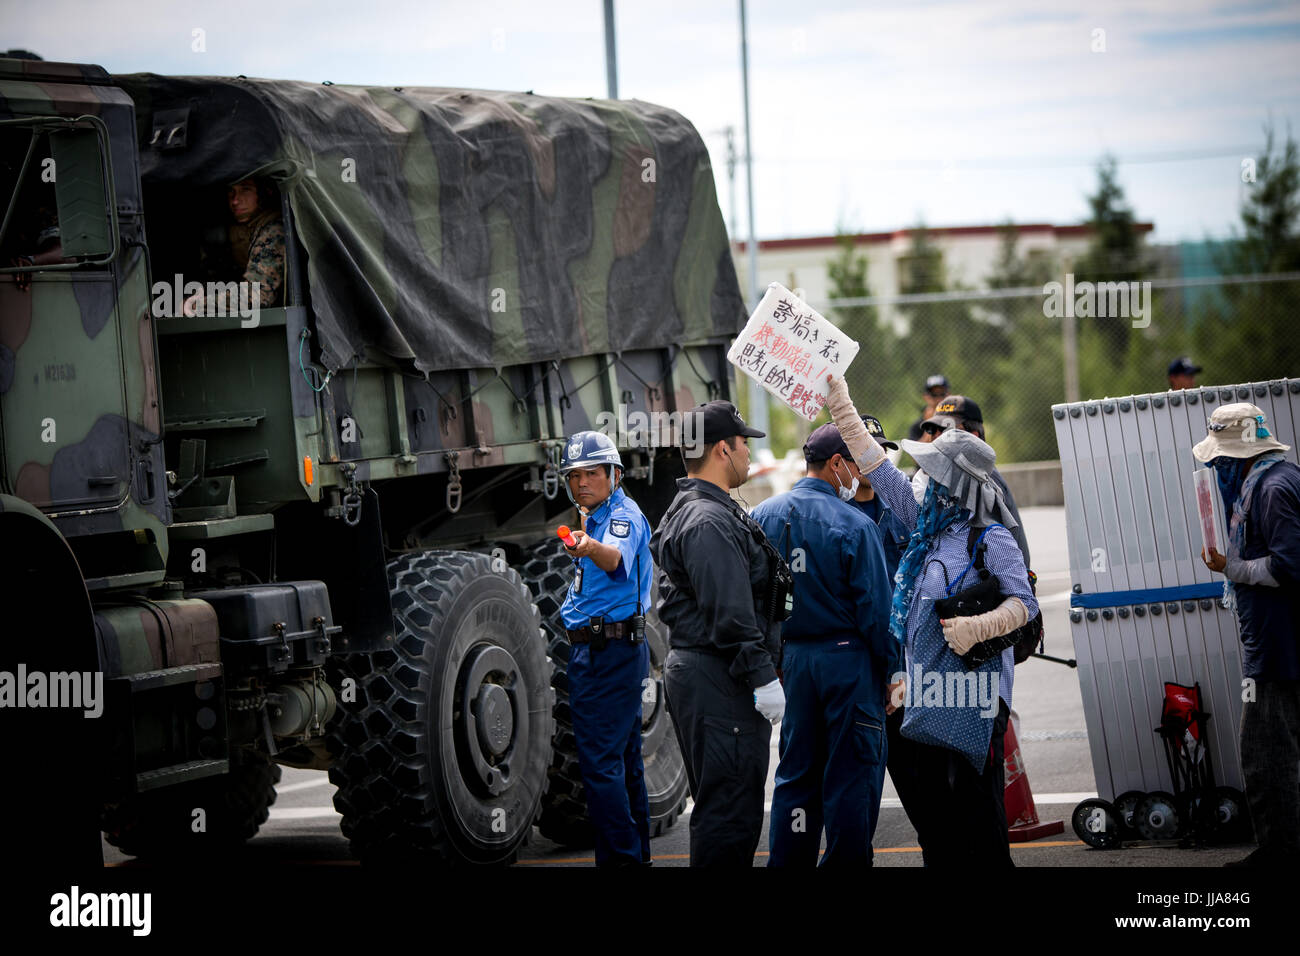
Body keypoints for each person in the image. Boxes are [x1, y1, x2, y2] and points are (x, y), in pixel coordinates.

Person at [825, 375, 1037, 866]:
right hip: (926, 691)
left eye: (931, 471)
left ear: (954, 484)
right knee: (938, 825)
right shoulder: (924, 521)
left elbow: (1024, 604)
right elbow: (877, 465)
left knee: (979, 822)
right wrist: (841, 403)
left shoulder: (991, 538)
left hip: (976, 696)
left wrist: (977, 627)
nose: (919, 477)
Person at [751, 423, 897, 866]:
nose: (863, 473)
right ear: (837, 463)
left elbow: (758, 601)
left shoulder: (763, 517)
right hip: (846, 662)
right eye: (857, 462)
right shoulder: (855, 523)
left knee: (795, 775)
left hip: (793, 662)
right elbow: (877, 613)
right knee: (851, 777)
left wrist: (773, 661)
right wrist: (891, 672)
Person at [649, 400, 785, 867]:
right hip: (718, 676)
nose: (749, 454)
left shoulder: (699, 507)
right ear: (723, 450)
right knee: (729, 813)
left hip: (710, 673)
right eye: (744, 443)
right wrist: (763, 675)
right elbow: (729, 611)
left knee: (730, 806)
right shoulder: (707, 519)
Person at [1193, 403, 1300, 867]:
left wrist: (1229, 567)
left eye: (1219, 461)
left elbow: (1288, 566)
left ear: (1238, 457)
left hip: (1280, 646)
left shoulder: (1273, 489)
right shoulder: (1274, 479)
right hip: (1278, 640)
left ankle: (1280, 852)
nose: (1216, 468)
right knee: (1274, 748)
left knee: (1264, 753)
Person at [556, 429, 654, 867]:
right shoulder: (594, 514)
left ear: (615, 474)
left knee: (601, 766)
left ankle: (621, 862)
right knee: (625, 761)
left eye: (591, 473)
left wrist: (589, 546)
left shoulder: (621, 515)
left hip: (608, 653)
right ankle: (637, 858)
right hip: (605, 649)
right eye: (574, 475)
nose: (581, 483)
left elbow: (614, 557)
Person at [913, 394, 1031, 570]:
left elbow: (1012, 559)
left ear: (973, 436)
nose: (936, 436)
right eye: (932, 430)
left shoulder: (985, 482)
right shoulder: (938, 480)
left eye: (945, 429)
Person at [183, 176, 285, 316]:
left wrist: (195, 305)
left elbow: (256, 295)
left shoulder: (274, 230)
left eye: (245, 190)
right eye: (231, 191)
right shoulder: (234, 230)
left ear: (265, 192)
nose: (235, 200)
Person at [906, 374, 951, 441]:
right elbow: (915, 450)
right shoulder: (917, 427)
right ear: (925, 396)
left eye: (942, 394)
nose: (938, 399)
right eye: (934, 395)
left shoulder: (957, 420)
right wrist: (930, 426)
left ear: (949, 395)